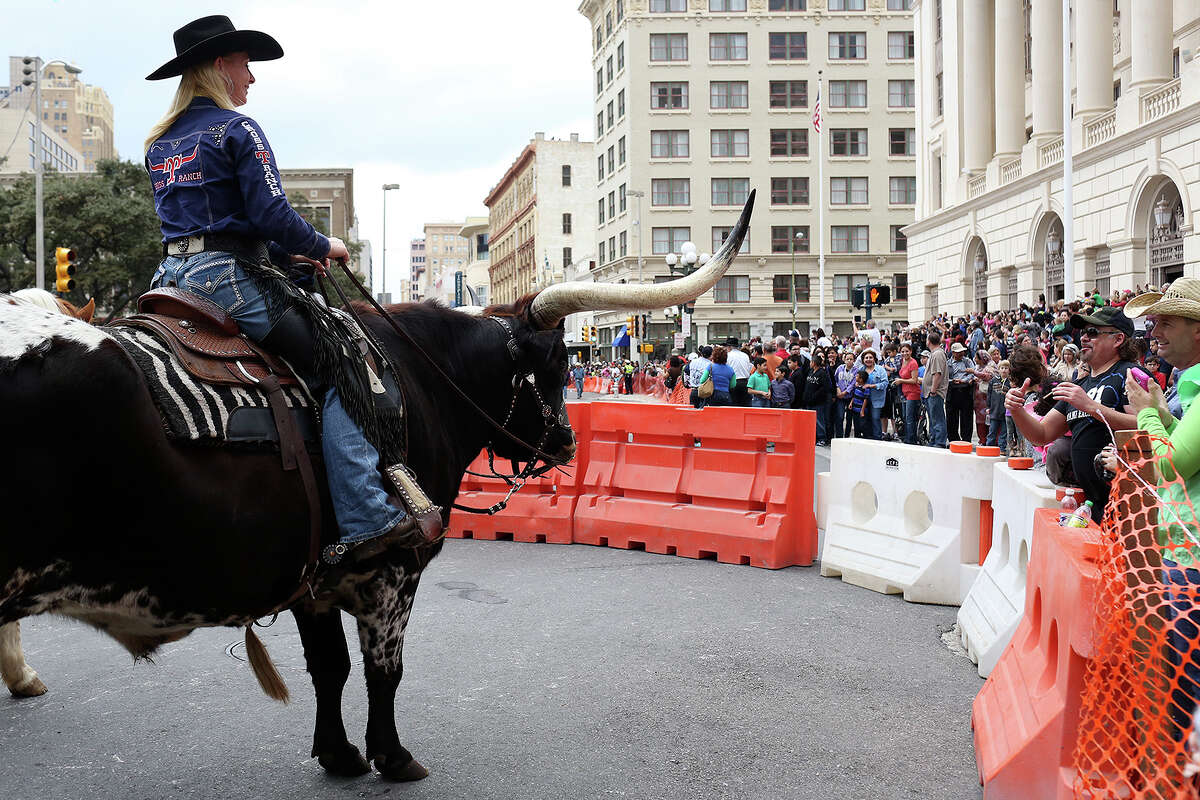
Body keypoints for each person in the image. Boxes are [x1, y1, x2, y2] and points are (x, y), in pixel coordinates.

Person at [143, 15, 439, 559]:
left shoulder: (158, 143)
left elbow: (232, 225)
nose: (251, 78)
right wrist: (325, 245)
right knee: (345, 363)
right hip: (227, 282)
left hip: (171, 280)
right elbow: (271, 215)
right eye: (245, 64)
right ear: (219, 66)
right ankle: (366, 517)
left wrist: (290, 252)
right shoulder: (238, 130)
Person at [1119, 279, 1200, 741]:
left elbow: (1172, 464)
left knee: (1186, 693)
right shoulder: (1190, 390)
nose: (1155, 332)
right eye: (1153, 323)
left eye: (1167, 322)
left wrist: (1149, 413)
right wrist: (1163, 416)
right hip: (1181, 558)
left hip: (1191, 565)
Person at [1005, 307, 1140, 517]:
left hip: (1130, 505)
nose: (1083, 338)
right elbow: (1041, 435)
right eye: (1083, 333)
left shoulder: (1130, 374)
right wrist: (1016, 409)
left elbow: (1147, 426)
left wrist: (1091, 406)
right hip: (1094, 504)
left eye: (1093, 333)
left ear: (1118, 339)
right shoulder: (1079, 384)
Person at [923, 330, 949, 447]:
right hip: (930, 392)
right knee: (933, 419)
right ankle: (934, 440)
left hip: (935, 392)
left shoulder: (937, 354)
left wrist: (933, 390)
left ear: (929, 341)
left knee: (938, 419)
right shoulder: (935, 353)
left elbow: (937, 374)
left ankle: (939, 442)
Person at [802, 352, 834, 446]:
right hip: (809, 401)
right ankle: (813, 437)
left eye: (811, 362)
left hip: (818, 402)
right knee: (810, 421)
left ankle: (822, 438)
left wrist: (815, 396)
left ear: (814, 363)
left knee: (819, 421)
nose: (810, 363)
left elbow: (825, 388)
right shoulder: (810, 372)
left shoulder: (822, 373)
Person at [946, 343, 975, 443]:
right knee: (951, 417)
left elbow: (973, 373)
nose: (961, 353)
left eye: (962, 351)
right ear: (953, 353)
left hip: (965, 390)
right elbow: (945, 378)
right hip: (952, 391)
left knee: (966, 417)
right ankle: (953, 440)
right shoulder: (948, 363)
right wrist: (952, 381)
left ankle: (966, 440)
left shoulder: (968, 361)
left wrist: (965, 380)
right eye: (959, 352)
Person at [896, 343, 922, 444]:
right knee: (905, 417)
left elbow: (914, 380)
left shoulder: (913, 363)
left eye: (907, 351)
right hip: (904, 393)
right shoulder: (903, 361)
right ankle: (908, 438)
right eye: (902, 351)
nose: (905, 353)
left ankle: (911, 440)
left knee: (910, 418)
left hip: (913, 392)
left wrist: (901, 381)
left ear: (911, 351)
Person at [860, 349, 888, 440]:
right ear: (863, 360)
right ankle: (868, 438)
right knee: (865, 419)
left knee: (875, 419)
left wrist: (872, 386)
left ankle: (877, 439)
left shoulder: (880, 370)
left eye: (870, 357)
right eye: (866, 358)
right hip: (863, 399)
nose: (868, 359)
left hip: (876, 399)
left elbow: (885, 384)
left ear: (874, 359)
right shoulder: (861, 369)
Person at [986, 360, 1011, 450]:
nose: (1004, 370)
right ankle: (989, 446)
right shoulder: (993, 381)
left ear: (1009, 370)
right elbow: (989, 394)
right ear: (999, 369)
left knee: (1004, 432)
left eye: (1006, 368)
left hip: (1005, 411)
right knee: (992, 430)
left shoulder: (1010, 383)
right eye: (1002, 368)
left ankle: (1002, 448)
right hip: (994, 410)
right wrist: (988, 407)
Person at [834, 351, 857, 438]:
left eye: (851, 359)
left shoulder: (855, 370)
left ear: (854, 360)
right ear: (844, 360)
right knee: (840, 416)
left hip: (849, 396)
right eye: (847, 359)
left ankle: (847, 436)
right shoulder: (840, 368)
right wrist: (838, 389)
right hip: (840, 396)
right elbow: (835, 379)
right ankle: (839, 435)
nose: (849, 361)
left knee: (849, 418)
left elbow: (853, 383)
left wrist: (846, 392)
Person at [725, 337, 753, 407]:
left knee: (734, 407)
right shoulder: (745, 355)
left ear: (729, 347)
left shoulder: (728, 356)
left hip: (733, 383)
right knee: (745, 407)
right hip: (745, 383)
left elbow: (727, 371)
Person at [849, 371, 872, 438]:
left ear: (861, 379)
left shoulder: (866, 388)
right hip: (855, 409)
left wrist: (862, 410)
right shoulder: (856, 386)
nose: (855, 377)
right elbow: (854, 395)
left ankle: (866, 438)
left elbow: (865, 400)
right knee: (856, 426)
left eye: (857, 376)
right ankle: (857, 438)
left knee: (863, 425)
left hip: (861, 410)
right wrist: (851, 403)